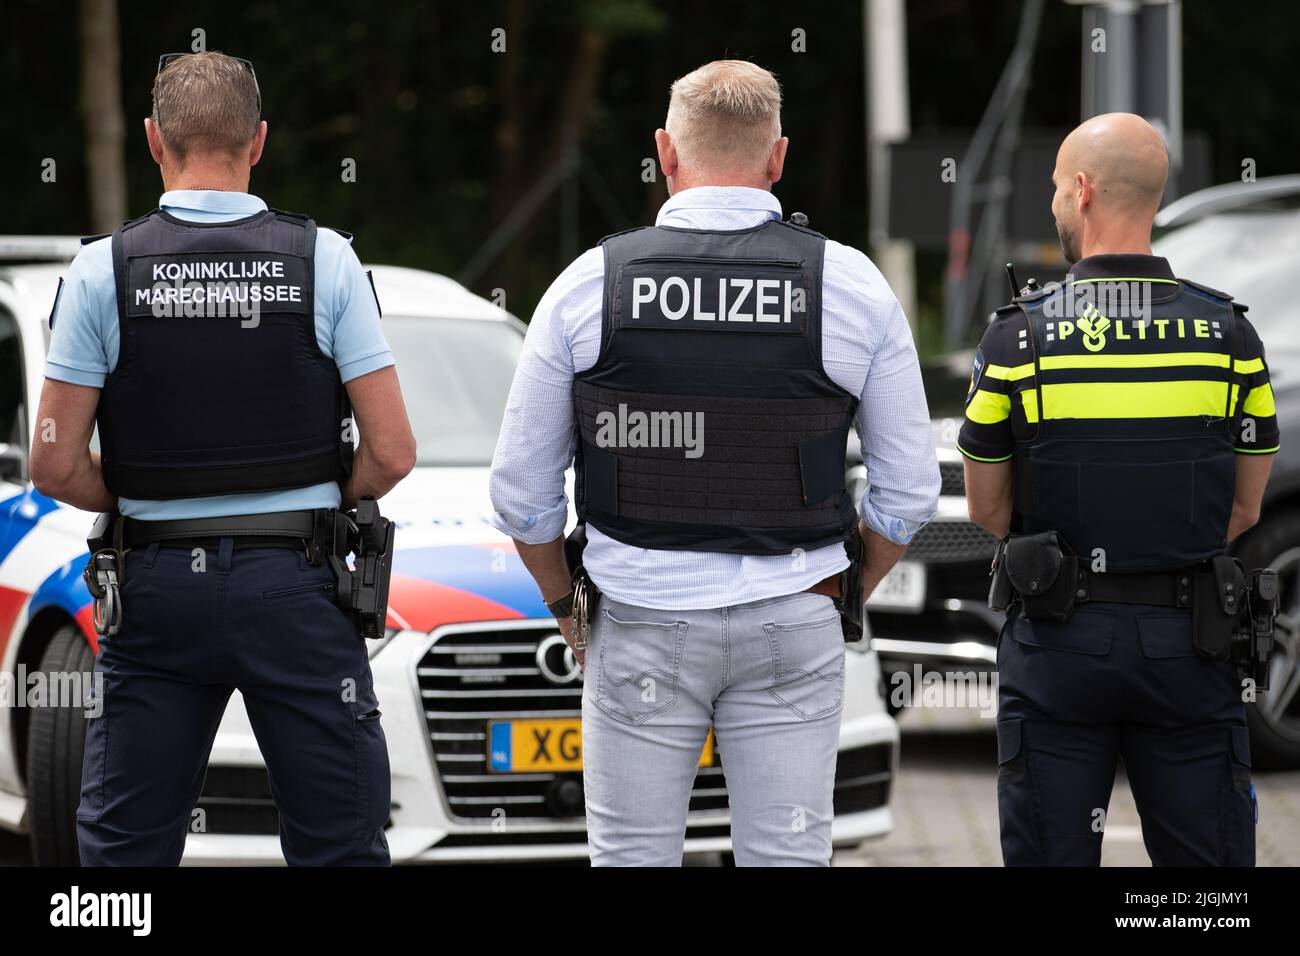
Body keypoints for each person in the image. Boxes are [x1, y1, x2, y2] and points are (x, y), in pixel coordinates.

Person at [490, 60, 939, 866]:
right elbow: (907, 496)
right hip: (793, 613)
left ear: (665, 152)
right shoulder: (851, 286)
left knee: (632, 856)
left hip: (637, 613)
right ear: (778, 158)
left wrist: (568, 609)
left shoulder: (590, 285)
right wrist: (840, 591)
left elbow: (524, 499)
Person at [29, 51, 416, 866]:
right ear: (260, 141)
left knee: (123, 855)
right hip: (299, 587)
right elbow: (392, 452)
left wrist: (136, 496)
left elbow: (55, 464)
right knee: (341, 845)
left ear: (152, 140)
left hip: (156, 592)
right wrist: (315, 492)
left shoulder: (104, 268)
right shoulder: (325, 259)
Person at [961, 112, 1278, 866]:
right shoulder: (1229, 335)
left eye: (1054, 191)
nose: (1052, 207)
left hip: (1058, 649)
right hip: (1192, 648)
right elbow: (1244, 506)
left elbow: (987, 508)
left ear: (1082, 190)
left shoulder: (1019, 339)